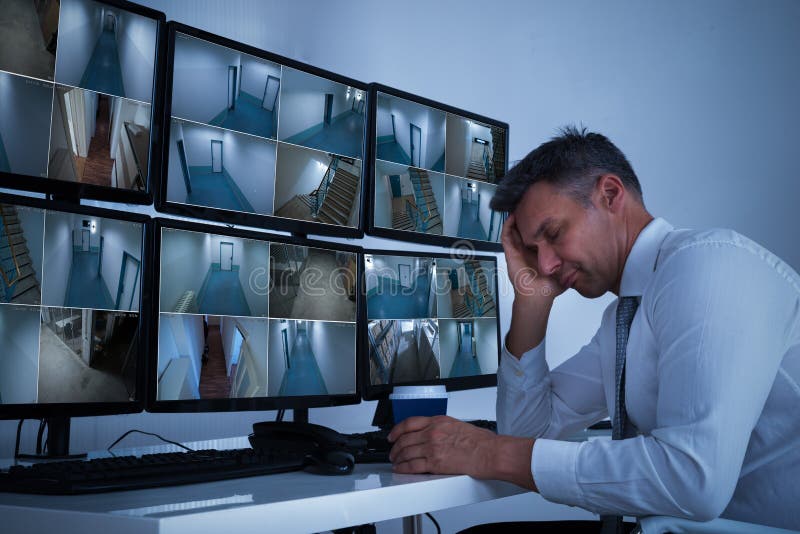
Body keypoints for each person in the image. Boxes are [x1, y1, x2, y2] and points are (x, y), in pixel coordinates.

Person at [387, 127, 800, 531]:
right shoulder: (625, 318)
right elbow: (527, 433)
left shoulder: (708, 267)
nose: (545, 264)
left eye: (553, 234)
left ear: (610, 195)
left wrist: (489, 452)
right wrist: (532, 300)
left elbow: (693, 481)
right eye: (532, 250)